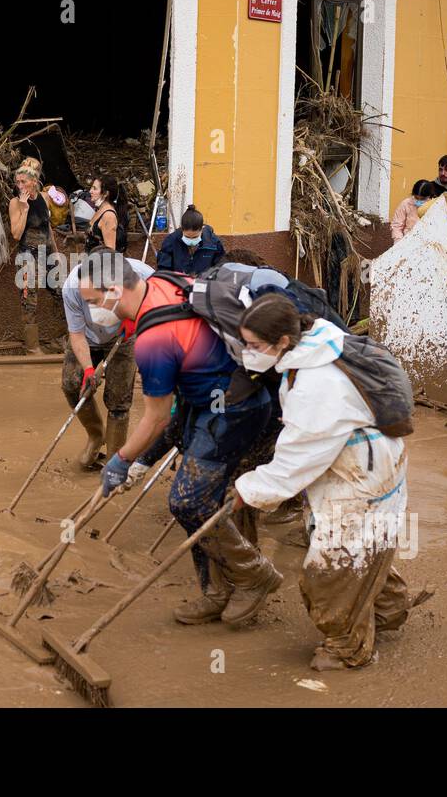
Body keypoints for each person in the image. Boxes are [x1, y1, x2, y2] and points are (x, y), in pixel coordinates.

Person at [78, 250, 282, 626]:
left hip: (234, 410)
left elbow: (155, 418)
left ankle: (254, 574)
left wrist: (120, 460)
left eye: (93, 302)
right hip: (218, 398)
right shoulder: (165, 281)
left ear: (113, 291)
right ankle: (216, 592)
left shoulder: (153, 340)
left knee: (187, 500)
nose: (93, 314)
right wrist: (140, 461)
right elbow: (170, 417)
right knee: (199, 499)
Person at [231, 294, 430, 670]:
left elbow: (295, 460)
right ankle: (389, 611)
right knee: (364, 545)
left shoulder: (317, 383)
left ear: (282, 342)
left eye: (255, 345)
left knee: (331, 568)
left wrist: (247, 490)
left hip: (361, 476)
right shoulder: (313, 346)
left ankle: (347, 646)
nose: (248, 352)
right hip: (359, 462)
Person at [60, 255, 153, 469]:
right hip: (88, 337)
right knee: (72, 386)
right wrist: (89, 369)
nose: (93, 305)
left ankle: (114, 459)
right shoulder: (72, 287)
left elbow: (156, 300)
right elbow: (76, 334)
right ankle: (96, 435)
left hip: (124, 338)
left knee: (119, 400)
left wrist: (137, 319)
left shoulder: (140, 274)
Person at [10, 159, 53, 355]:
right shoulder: (15, 203)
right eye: (17, 182)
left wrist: (56, 251)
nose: (20, 186)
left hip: (48, 253)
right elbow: (16, 234)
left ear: (34, 182)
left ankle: (61, 339)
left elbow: (48, 228)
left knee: (61, 292)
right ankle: (32, 348)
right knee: (29, 301)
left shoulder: (44, 197)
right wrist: (24, 208)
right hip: (27, 257)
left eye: (23, 182)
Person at [157, 205, 225, 274]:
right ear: (182, 229)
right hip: (178, 282)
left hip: (204, 282)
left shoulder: (213, 242)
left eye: (195, 237)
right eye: (187, 237)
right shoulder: (171, 241)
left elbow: (220, 266)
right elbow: (163, 269)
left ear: (202, 229)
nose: (191, 241)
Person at [86, 175, 128, 253]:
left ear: (105, 193)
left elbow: (110, 253)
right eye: (91, 187)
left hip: (101, 263)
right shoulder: (100, 210)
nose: (90, 191)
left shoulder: (108, 216)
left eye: (95, 188)